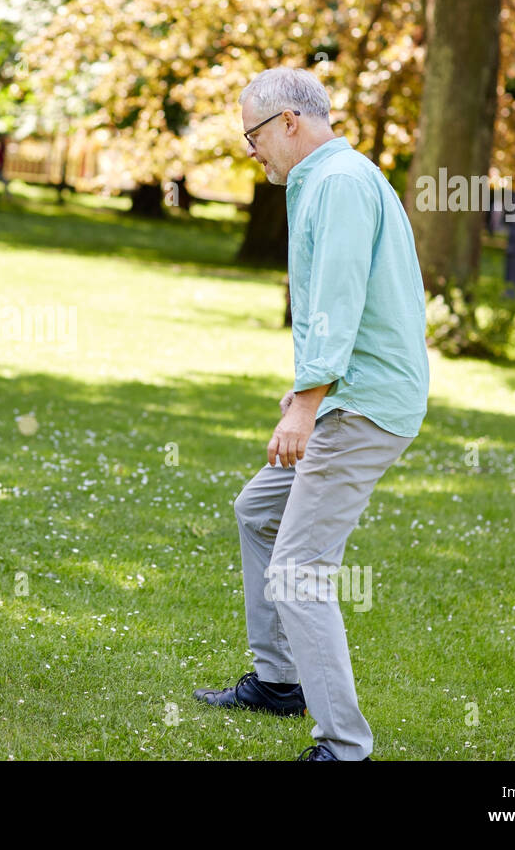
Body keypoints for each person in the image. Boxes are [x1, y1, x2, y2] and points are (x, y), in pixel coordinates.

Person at [193, 68, 429, 761]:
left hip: (364, 406)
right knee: (257, 511)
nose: (252, 150)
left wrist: (307, 402)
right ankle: (279, 682)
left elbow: (338, 297)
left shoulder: (339, 184)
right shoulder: (324, 181)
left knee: (299, 570)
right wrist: (306, 397)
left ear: (290, 121)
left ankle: (344, 747)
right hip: (349, 398)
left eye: (254, 135)